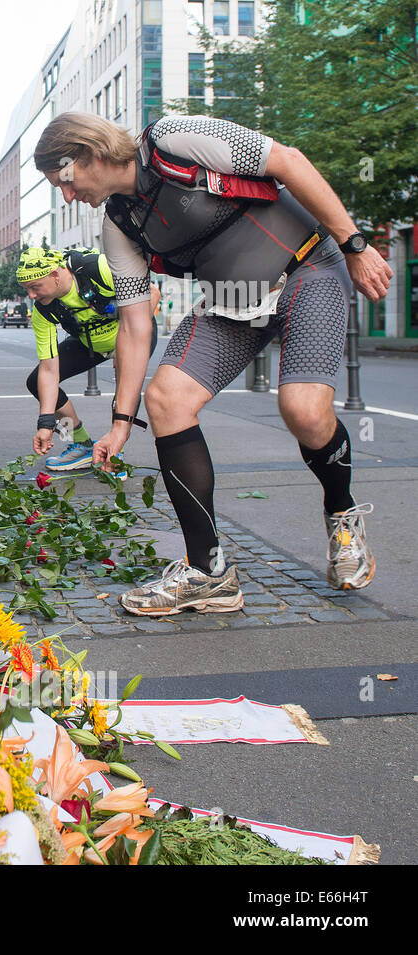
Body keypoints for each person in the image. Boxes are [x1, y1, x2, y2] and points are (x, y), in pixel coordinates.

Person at [35, 112, 392, 614]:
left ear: (88, 152)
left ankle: (341, 512)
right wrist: (120, 421)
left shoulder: (171, 140)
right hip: (230, 299)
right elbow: (136, 327)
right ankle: (209, 571)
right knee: (167, 399)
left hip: (306, 269)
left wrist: (354, 244)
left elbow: (287, 162)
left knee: (305, 411)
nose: (67, 196)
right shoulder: (119, 224)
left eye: (64, 181)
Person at [17, 245, 160, 471]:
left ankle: (115, 453)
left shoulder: (98, 268)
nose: (31, 295)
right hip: (89, 341)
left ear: (55, 275)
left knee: (125, 387)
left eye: (35, 287)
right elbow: (49, 370)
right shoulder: (42, 310)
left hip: (133, 333)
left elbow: (152, 293)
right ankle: (80, 443)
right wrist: (45, 422)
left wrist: (128, 345)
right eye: (27, 289)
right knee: (36, 382)